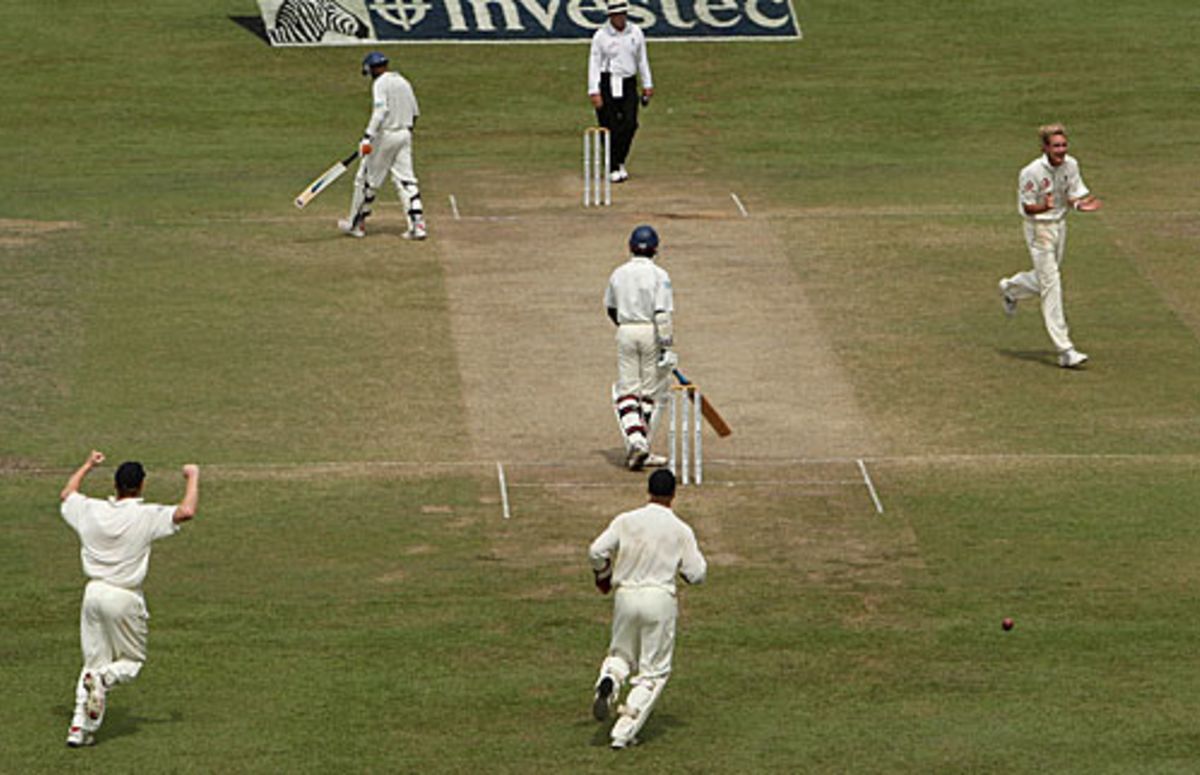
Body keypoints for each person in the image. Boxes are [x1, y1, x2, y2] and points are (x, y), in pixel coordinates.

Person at [59, 451, 200, 748]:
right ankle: (105, 681)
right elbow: (186, 512)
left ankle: (78, 728)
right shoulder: (145, 514)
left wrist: (87, 465)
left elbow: (67, 494)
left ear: (116, 484)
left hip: (93, 594)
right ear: (142, 485)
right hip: (123, 597)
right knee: (131, 662)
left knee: (92, 663)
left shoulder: (91, 509)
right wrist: (193, 476)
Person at [588, 469, 707, 750]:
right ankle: (623, 732)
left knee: (620, 654)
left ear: (648, 490)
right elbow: (697, 574)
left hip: (626, 595)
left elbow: (596, 550)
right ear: (673, 494)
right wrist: (682, 572)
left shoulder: (626, 520)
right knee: (653, 672)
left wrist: (603, 576)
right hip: (659, 599)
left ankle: (608, 681)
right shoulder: (680, 529)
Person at [998, 123, 1103, 368]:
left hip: (1059, 226)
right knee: (1052, 284)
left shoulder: (1071, 165)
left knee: (1045, 278)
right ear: (1045, 147)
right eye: (1056, 146)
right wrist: (1044, 207)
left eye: (1064, 145)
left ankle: (1011, 289)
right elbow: (1027, 207)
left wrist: (1079, 206)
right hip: (1038, 228)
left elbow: (1074, 194)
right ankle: (1065, 349)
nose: (1061, 150)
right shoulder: (1031, 171)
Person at [604, 224, 676, 471]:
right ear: (655, 248)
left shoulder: (618, 273)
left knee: (629, 392)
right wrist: (666, 347)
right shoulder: (660, 275)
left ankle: (640, 445)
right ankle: (638, 441)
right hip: (650, 332)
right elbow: (662, 313)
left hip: (625, 330)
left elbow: (611, 309)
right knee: (648, 393)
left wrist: (625, 328)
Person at [338, 51, 427, 241]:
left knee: (365, 180)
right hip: (405, 134)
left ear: (372, 69)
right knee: (406, 180)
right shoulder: (404, 81)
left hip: (386, 135)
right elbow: (415, 113)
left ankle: (356, 225)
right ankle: (417, 226)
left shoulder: (380, 83)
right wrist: (405, 134)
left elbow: (380, 111)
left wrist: (367, 138)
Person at [587, 0, 654, 183]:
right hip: (607, 82)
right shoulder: (601, 36)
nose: (620, 19)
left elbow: (642, 59)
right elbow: (594, 63)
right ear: (610, 17)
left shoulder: (635, 32)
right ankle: (614, 166)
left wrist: (647, 84)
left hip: (628, 82)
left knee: (630, 124)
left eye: (623, 15)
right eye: (616, 16)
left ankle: (619, 160)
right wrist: (594, 90)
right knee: (610, 127)